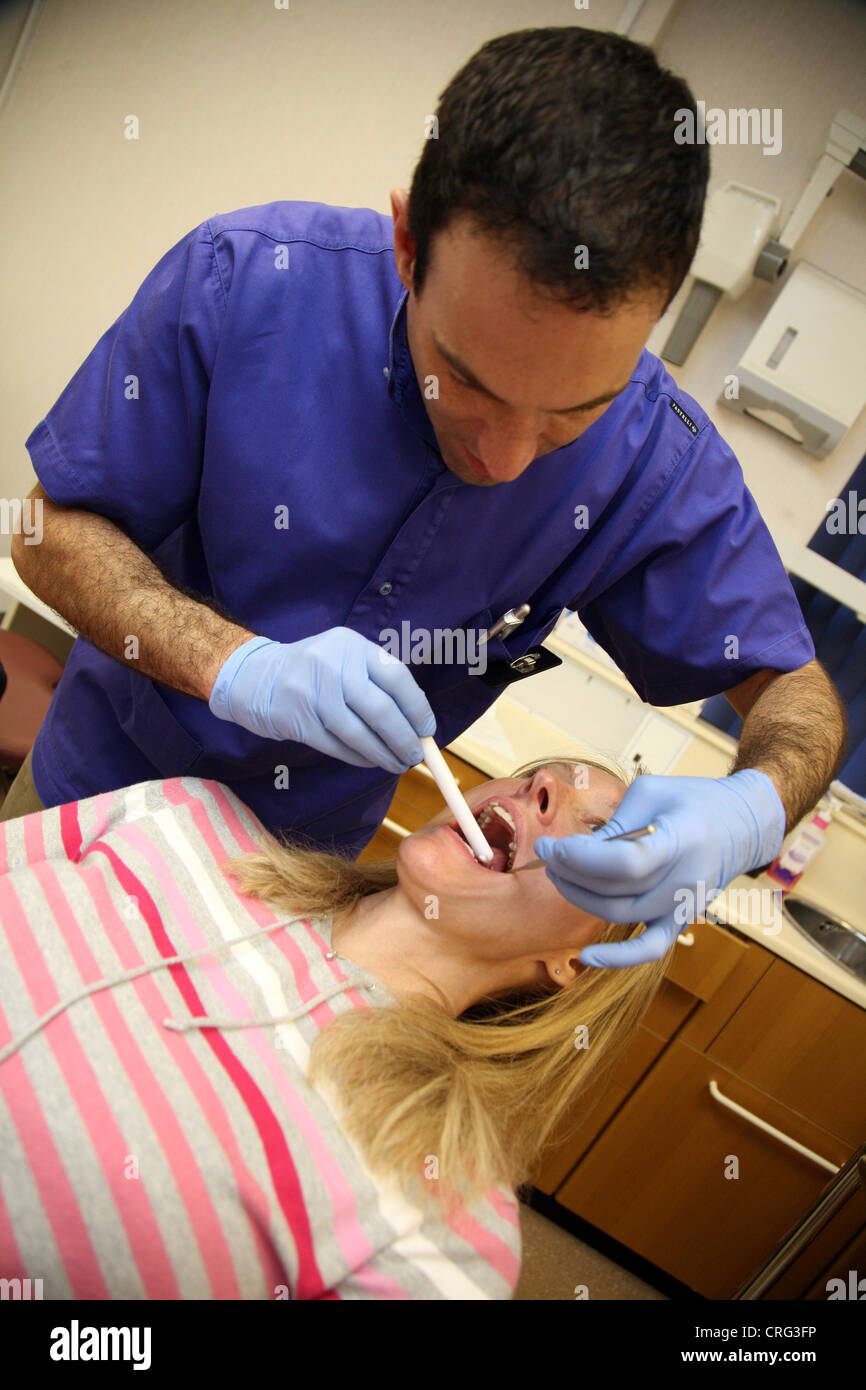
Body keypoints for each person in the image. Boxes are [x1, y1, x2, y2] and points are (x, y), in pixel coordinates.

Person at [6, 27, 848, 971]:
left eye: (575, 412)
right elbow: (45, 530)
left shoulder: (656, 464)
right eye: (471, 383)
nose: (507, 458)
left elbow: (795, 693)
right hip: (84, 799)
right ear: (410, 242)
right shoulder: (248, 280)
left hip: (290, 894)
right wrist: (233, 664)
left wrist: (756, 804)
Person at [0, 754, 667, 1300]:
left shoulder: (443, 1229)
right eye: (541, 773)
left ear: (577, 960)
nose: (541, 785)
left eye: (600, 830)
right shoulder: (182, 813)